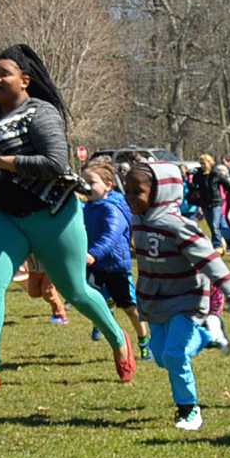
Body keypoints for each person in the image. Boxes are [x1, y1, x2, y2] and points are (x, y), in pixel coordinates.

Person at [0, 45, 131, 392]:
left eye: (4, 72)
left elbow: (54, 163)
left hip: (54, 214)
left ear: (25, 79)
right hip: (7, 215)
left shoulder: (42, 113)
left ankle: (118, 339)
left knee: (76, 291)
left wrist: (5, 162)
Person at [125, 160, 230, 431]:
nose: (131, 198)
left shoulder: (179, 226)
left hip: (187, 298)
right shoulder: (138, 222)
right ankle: (207, 336)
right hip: (155, 300)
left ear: (161, 191)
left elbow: (211, 261)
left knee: (175, 353)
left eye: (137, 192)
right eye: (127, 191)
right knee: (160, 356)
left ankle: (189, 410)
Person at [80, 156, 148, 371]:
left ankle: (144, 340)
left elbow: (110, 235)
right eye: (84, 183)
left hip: (115, 266)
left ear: (108, 185)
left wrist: (93, 254)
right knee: (93, 298)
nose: (86, 187)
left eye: (91, 183)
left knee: (129, 307)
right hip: (94, 265)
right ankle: (103, 318)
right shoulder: (86, 207)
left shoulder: (112, 208)